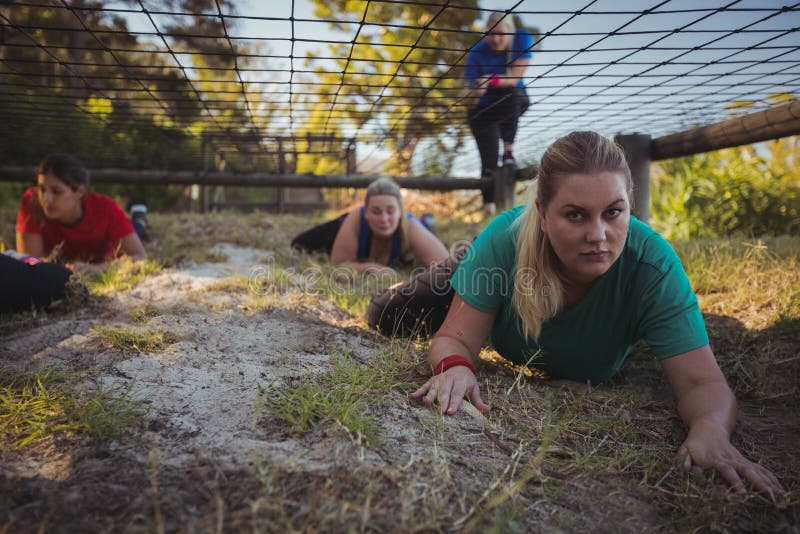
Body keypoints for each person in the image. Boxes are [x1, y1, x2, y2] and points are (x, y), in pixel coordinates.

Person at [381, 131, 782, 496]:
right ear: (542, 212)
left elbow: (702, 383)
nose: (598, 235)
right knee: (386, 313)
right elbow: (455, 340)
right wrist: (454, 365)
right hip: (487, 264)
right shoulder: (505, 241)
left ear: (630, 208)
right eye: (576, 215)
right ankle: (440, 275)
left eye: (613, 212)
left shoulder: (653, 267)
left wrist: (710, 429)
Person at [291, 177, 449, 275]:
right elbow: (337, 263)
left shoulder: (411, 227)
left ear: (400, 212)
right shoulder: (357, 217)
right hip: (347, 230)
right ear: (365, 212)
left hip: (416, 227)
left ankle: (427, 220)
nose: (384, 219)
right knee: (299, 244)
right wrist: (369, 267)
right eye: (376, 211)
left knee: (426, 229)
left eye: (390, 211)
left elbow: (446, 267)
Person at [15, 153, 146, 266]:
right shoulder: (32, 200)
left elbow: (139, 256)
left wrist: (96, 269)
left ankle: (139, 219)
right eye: (42, 189)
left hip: (104, 258)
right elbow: (29, 261)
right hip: (62, 263)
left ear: (80, 192)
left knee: (136, 229)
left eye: (56, 191)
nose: (46, 199)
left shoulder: (105, 208)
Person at [464, 11, 533, 215]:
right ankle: (489, 211)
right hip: (483, 111)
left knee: (511, 94)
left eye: (501, 34)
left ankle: (509, 151)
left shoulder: (521, 38)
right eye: (491, 34)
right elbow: (467, 98)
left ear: (510, 32)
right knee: (489, 164)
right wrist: (476, 91)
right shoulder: (476, 53)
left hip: (513, 99)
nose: (495, 39)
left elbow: (514, 77)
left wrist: (491, 80)